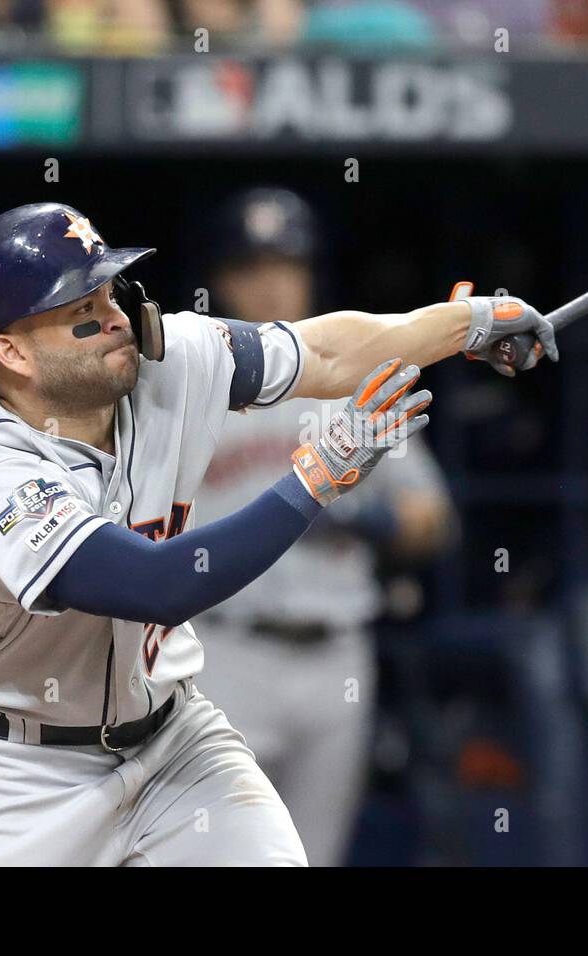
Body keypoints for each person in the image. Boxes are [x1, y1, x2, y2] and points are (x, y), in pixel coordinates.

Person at [0, 201, 556, 866]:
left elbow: (324, 350)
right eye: (80, 309)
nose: (113, 318)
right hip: (27, 773)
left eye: (110, 290)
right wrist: (315, 479)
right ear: (11, 351)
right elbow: (156, 583)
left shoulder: (175, 359)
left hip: (172, 743)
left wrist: (465, 322)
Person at [191, 188, 456, 866]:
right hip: (224, 652)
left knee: (312, 855)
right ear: (223, 280)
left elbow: (434, 521)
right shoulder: (193, 376)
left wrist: (377, 519)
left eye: (286, 263)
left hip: (337, 652)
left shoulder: (356, 378)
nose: (271, 282)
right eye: (251, 266)